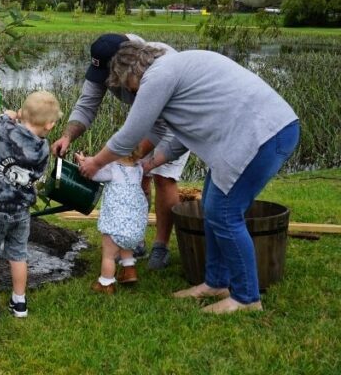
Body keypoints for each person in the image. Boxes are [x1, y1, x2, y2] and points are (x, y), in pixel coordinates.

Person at [77, 41, 299, 313]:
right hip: (248, 136)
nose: (132, 93)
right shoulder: (171, 70)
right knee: (211, 209)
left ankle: (246, 298)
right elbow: (180, 137)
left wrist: (95, 163)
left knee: (225, 213)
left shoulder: (158, 75)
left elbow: (130, 135)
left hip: (263, 134)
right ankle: (216, 282)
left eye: (129, 86)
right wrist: (150, 164)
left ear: (131, 71)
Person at [51, 33, 190, 270]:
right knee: (138, 178)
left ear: (124, 61)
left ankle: (161, 246)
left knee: (163, 177)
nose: (105, 80)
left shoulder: (159, 63)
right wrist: (67, 136)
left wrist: (124, 158)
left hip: (176, 121)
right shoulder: (104, 60)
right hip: (143, 115)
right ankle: (134, 239)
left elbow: (161, 126)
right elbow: (87, 103)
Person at [0, 91, 62, 320]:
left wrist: (6, 116)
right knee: (18, 255)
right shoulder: (43, 148)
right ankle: (19, 302)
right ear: (50, 125)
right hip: (20, 212)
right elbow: (38, 173)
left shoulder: (5, 132)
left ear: (22, 113)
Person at [80, 147, 148, 295]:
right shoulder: (139, 169)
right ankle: (129, 271)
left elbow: (93, 174)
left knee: (109, 256)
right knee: (126, 246)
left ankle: (106, 283)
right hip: (133, 227)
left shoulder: (112, 169)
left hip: (114, 224)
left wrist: (83, 162)